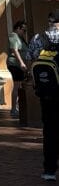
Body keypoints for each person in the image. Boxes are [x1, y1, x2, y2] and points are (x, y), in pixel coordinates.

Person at [25, 10, 59, 181]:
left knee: (50, 130)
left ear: (49, 21)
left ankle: (49, 170)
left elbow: (30, 59)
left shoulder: (38, 38)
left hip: (46, 93)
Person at [9, 20, 28, 118]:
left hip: (19, 65)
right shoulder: (13, 36)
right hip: (15, 65)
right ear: (18, 28)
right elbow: (15, 51)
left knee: (19, 86)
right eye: (23, 30)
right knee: (17, 86)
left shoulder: (20, 37)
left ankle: (18, 107)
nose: (24, 32)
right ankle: (13, 109)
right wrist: (21, 63)